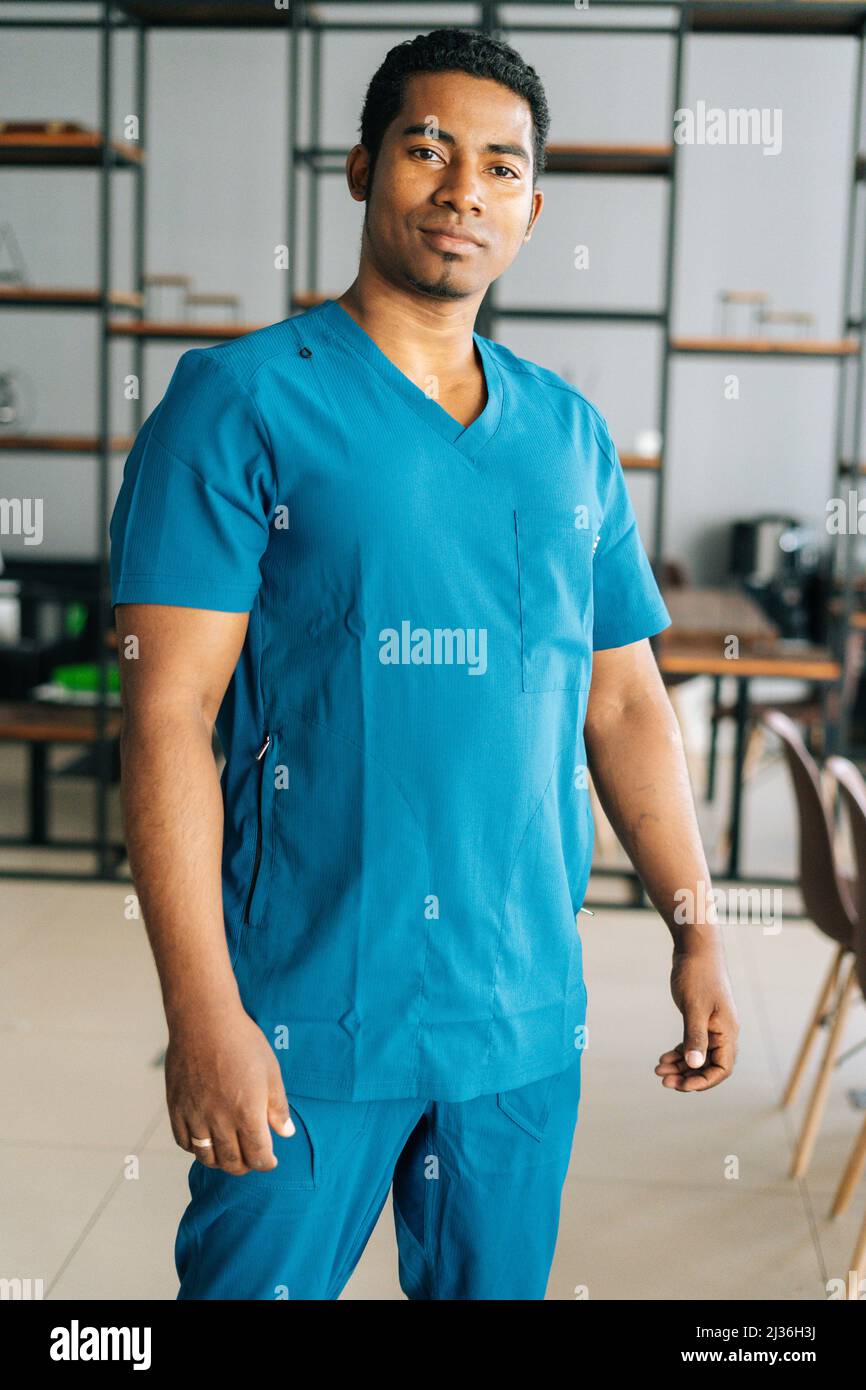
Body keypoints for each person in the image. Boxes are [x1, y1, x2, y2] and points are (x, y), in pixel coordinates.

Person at [109, 27, 738, 1301]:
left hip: (516, 1017)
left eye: (500, 167)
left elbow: (620, 702)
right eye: (427, 147)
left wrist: (694, 925)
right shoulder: (237, 403)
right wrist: (203, 1014)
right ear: (360, 168)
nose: (463, 189)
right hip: (305, 1009)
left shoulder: (566, 435)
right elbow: (168, 711)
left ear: (530, 207)